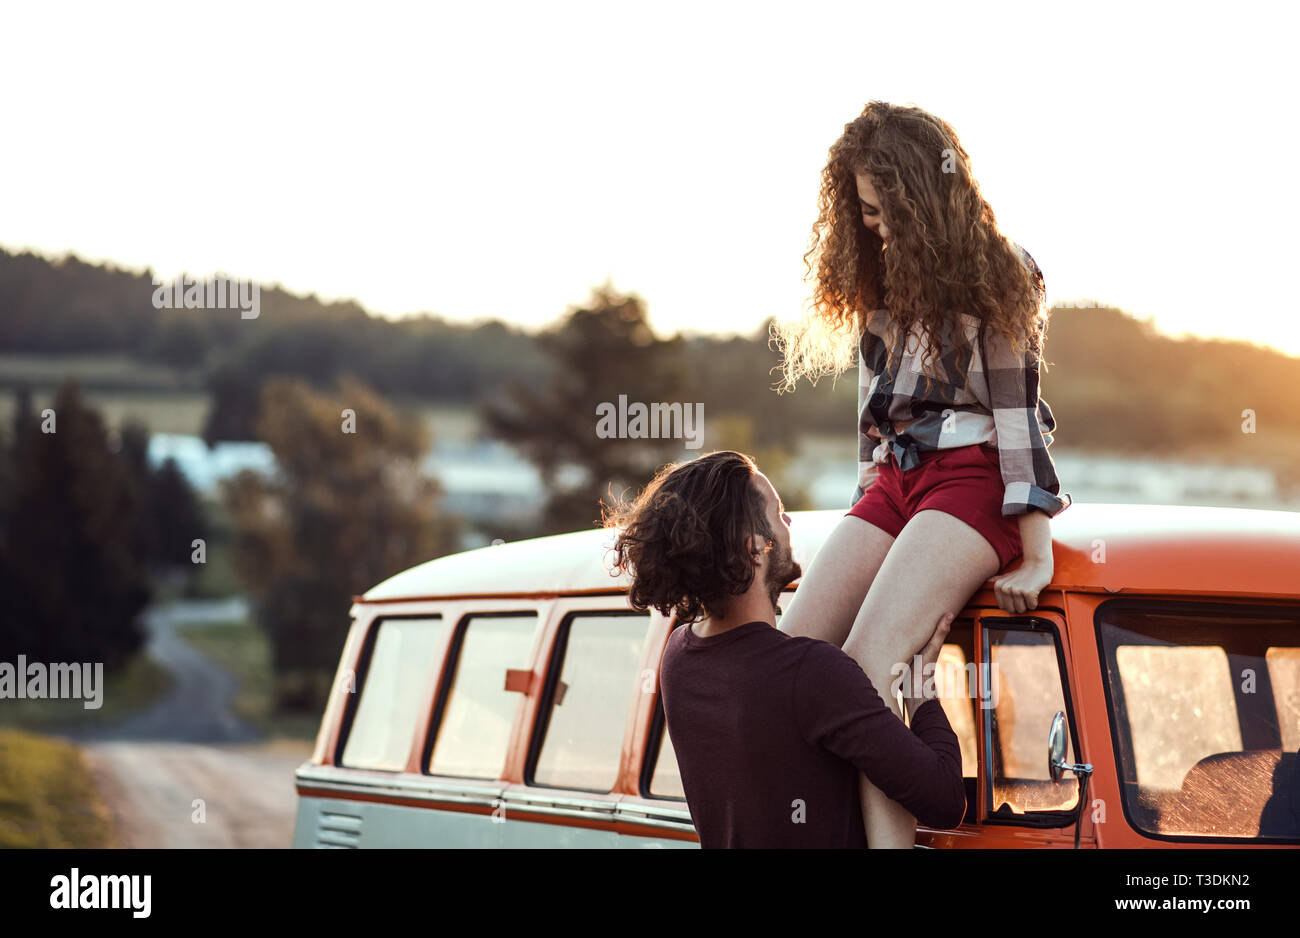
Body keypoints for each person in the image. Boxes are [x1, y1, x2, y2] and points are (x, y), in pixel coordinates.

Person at [769, 101, 1073, 847]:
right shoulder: (880, 281)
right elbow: (873, 424)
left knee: (869, 667)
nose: (867, 224)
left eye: (877, 210)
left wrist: (1036, 550)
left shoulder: (1005, 271)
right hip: (893, 483)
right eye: (858, 210)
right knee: (791, 663)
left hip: (970, 477)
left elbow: (1016, 413)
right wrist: (861, 521)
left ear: (917, 199)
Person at [603, 450, 965, 848]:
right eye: (778, 512)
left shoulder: (679, 655)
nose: (789, 521)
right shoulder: (811, 672)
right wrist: (921, 695)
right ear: (754, 549)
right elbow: (944, 801)